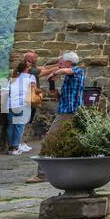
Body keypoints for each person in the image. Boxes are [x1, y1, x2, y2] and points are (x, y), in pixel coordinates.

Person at [28, 52, 86, 183]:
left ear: (69, 62)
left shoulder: (77, 71)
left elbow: (66, 70)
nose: (58, 65)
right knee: (71, 141)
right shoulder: (69, 77)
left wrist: (54, 73)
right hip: (67, 111)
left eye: (60, 62)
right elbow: (61, 99)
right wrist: (55, 91)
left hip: (69, 113)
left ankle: (42, 174)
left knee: (49, 139)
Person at [6, 57, 38, 155]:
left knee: (11, 126)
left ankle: (11, 148)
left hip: (10, 104)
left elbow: (7, 91)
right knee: (19, 126)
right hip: (23, 104)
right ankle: (15, 148)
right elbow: (34, 90)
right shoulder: (31, 77)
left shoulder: (13, 78)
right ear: (27, 69)